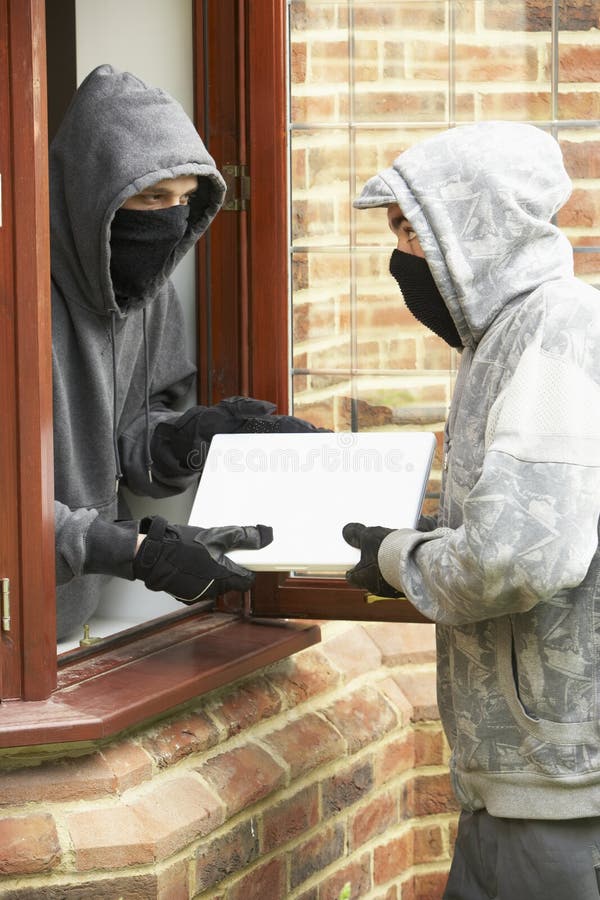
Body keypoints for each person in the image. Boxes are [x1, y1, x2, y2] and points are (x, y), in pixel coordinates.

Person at [344, 122, 600, 899]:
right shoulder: (500, 340)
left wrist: (398, 558)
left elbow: (518, 555)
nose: (400, 257)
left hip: (562, 792)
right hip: (513, 781)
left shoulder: (555, 331)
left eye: (413, 231)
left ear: (473, 227)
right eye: (392, 229)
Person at [51, 64, 321, 641]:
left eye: (183, 200)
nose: (169, 220)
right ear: (91, 194)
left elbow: (127, 438)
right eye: (150, 197)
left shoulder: (152, 293)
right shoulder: (16, 303)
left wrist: (193, 438)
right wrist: (131, 550)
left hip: (65, 623)